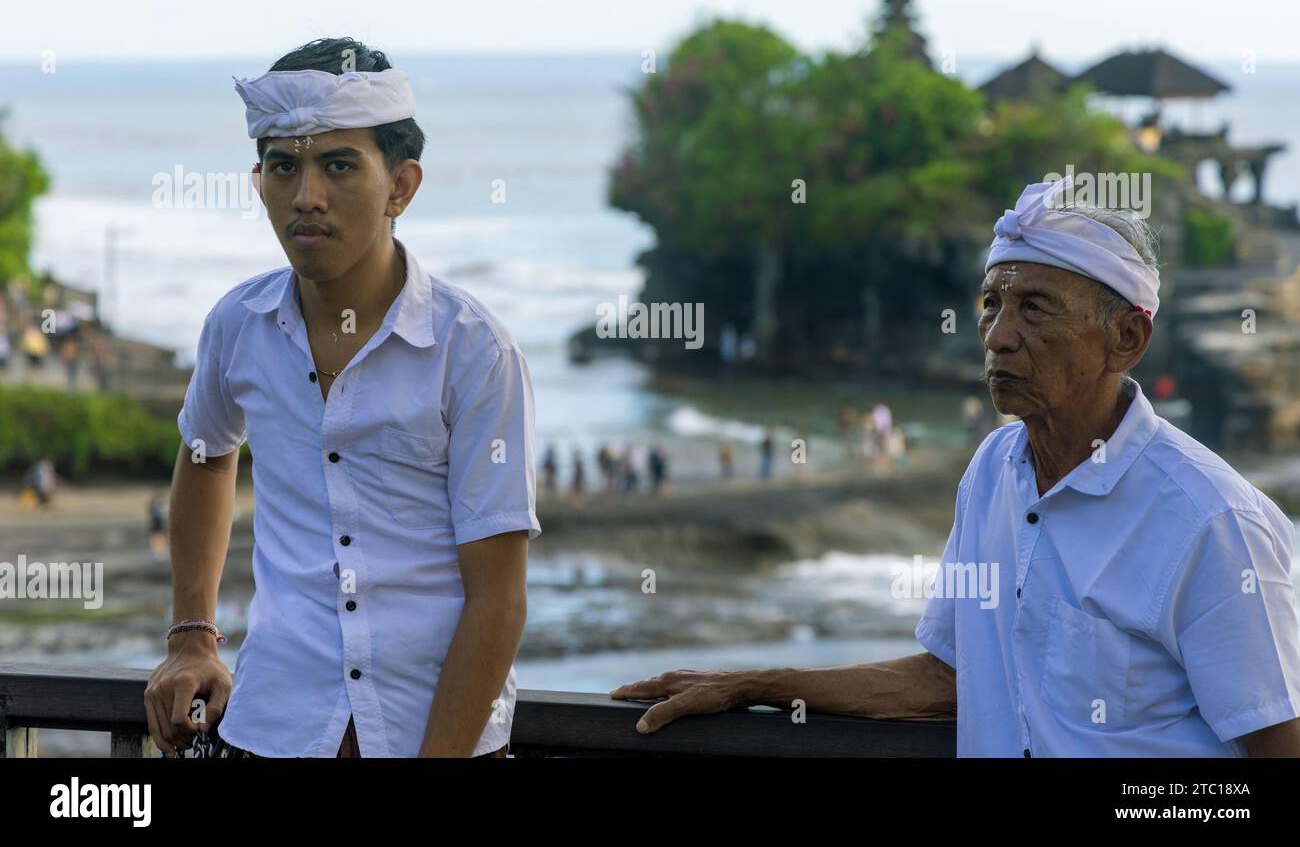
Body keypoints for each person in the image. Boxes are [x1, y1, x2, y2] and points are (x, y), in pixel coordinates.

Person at [612, 175, 1300, 757]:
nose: (998, 337)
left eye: (1035, 309)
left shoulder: (1213, 523)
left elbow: (1277, 743)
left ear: (1126, 337)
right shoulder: (994, 472)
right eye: (991, 304)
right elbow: (952, 679)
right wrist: (754, 685)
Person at [146, 38, 539, 760]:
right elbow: (206, 455)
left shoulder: (474, 351)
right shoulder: (238, 327)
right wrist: (191, 635)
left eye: (338, 165)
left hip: (436, 739)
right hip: (271, 729)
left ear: (401, 186)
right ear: (257, 180)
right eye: (284, 166)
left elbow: (499, 596)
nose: (307, 197)